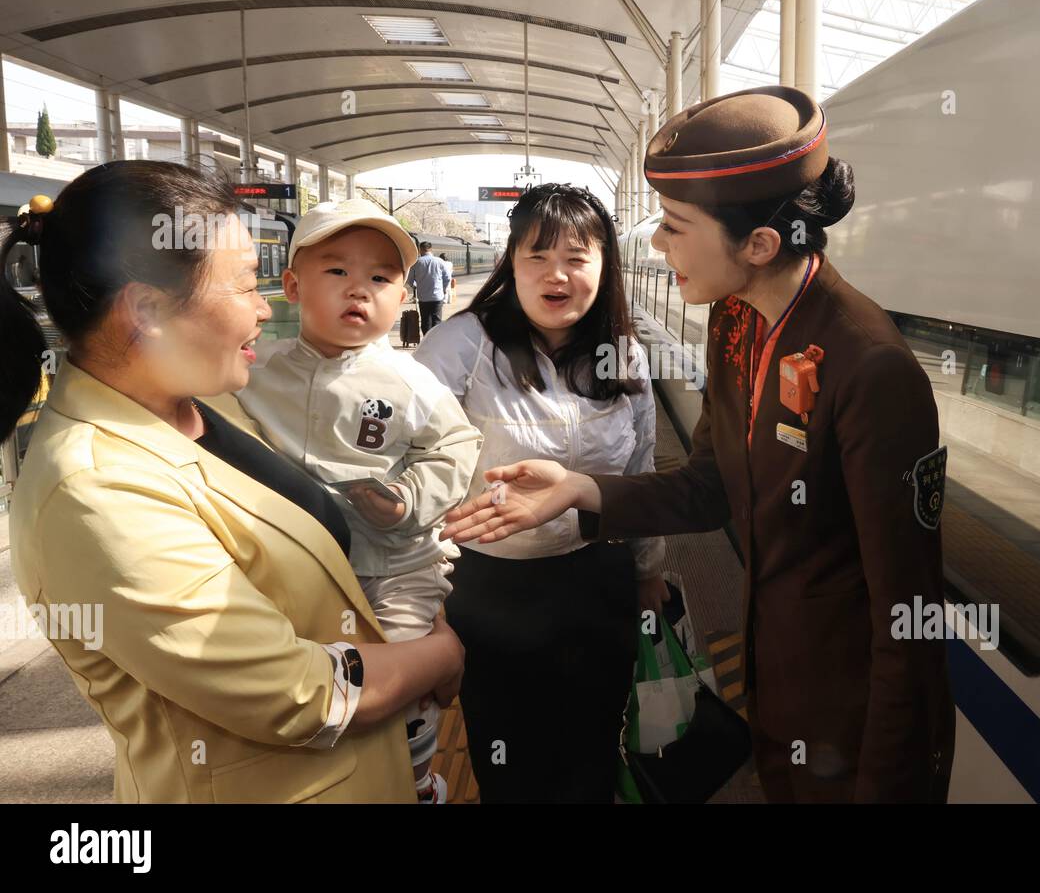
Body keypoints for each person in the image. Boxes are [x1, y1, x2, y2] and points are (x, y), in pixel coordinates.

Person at [441, 87, 956, 803]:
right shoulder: (737, 322)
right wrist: (581, 490)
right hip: (774, 693)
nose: (655, 245)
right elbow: (712, 482)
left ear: (760, 245)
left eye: (676, 227)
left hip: (853, 722)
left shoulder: (870, 368)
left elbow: (910, 625)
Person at [0, 161, 464, 802]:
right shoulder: (92, 489)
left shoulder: (203, 404)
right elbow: (296, 694)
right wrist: (441, 657)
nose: (266, 305)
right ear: (147, 309)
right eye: (247, 284)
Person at [414, 183, 667, 802]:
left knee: (591, 744)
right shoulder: (460, 347)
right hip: (488, 587)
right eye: (537, 256)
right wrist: (420, 596)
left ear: (605, 266)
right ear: (511, 261)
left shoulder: (623, 354)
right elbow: (409, 466)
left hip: (596, 580)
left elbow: (641, 469)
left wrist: (649, 572)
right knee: (506, 751)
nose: (557, 275)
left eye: (577, 258)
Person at [234, 198, 483, 804]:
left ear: (402, 299)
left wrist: (406, 499)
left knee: (401, 679)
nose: (359, 290)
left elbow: (457, 445)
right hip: (300, 571)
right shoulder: (256, 371)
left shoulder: (411, 379)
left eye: (380, 278)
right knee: (326, 676)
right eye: (337, 271)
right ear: (292, 285)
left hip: (399, 568)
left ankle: (418, 780)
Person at [407, 241, 451, 333]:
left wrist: (416, 287)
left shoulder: (416, 263)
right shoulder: (440, 261)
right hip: (437, 297)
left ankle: (426, 341)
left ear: (420, 250)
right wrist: (443, 289)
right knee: (437, 321)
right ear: (431, 249)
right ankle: (436, 342)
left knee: (425, 321)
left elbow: (410, 280)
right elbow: (447, 278)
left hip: (423, 298)